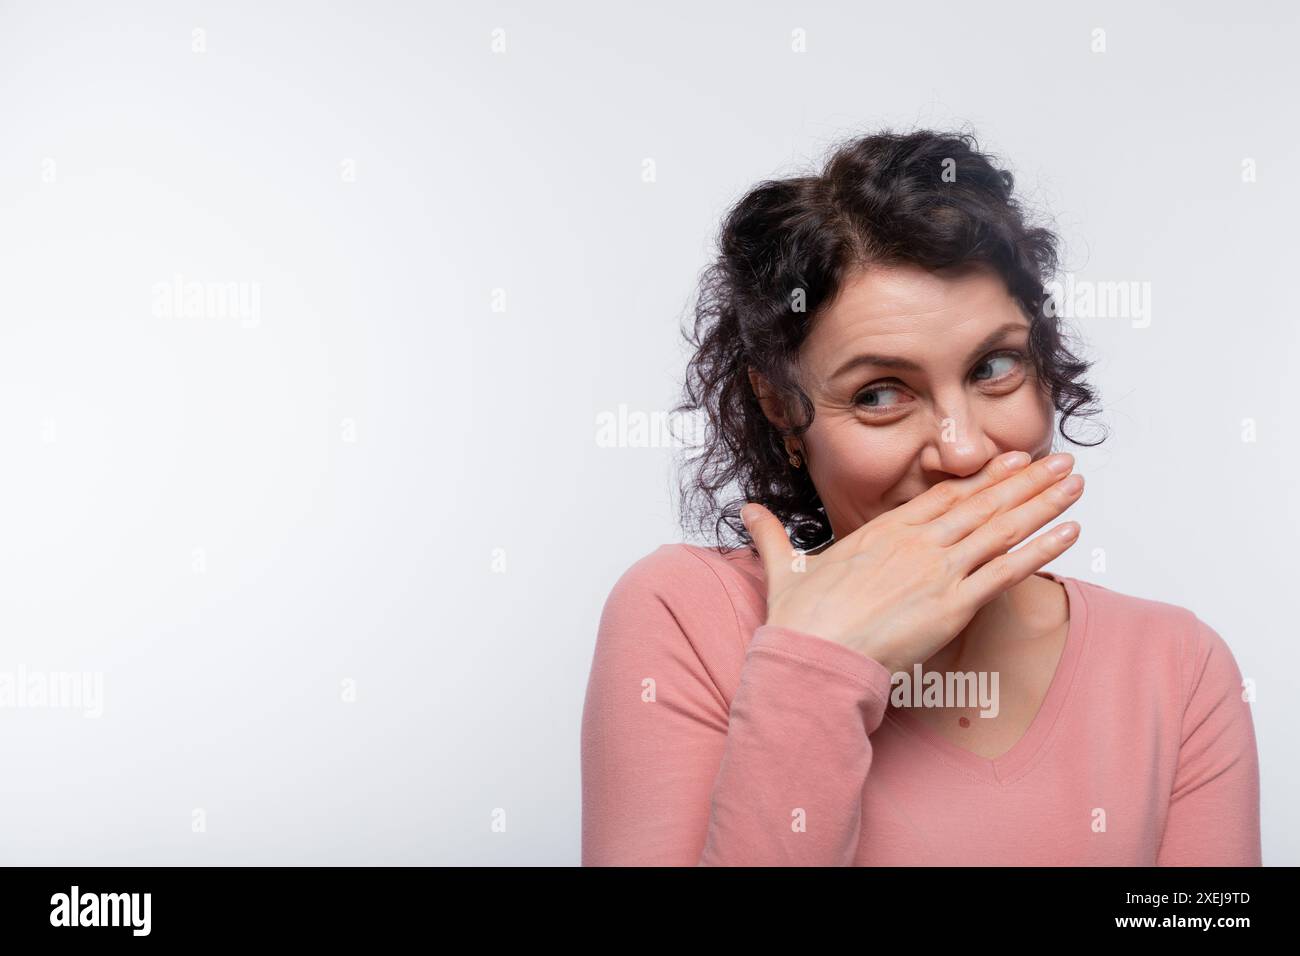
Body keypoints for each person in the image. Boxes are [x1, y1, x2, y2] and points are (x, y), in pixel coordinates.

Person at [579, 128, 1262, 866]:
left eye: (994, 366)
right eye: (879, 394)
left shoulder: (1177, 667)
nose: (964, 447)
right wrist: (813, 667)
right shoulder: (684, 615)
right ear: (780, 407)